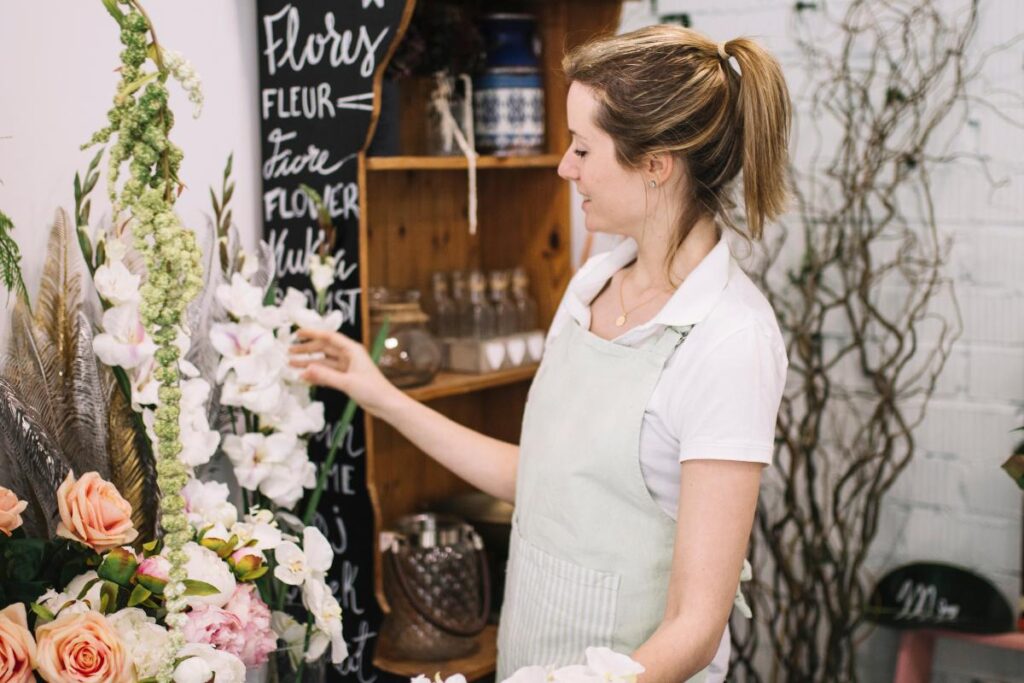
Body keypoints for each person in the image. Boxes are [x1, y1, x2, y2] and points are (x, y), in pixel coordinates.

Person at [291, 25, 791, 683]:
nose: (564, 166)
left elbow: (694, 629)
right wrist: (378, 391)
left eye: (583, 147)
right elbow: (546, 479)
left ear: (656, 163)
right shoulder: (591, 288)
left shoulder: (729, 340)